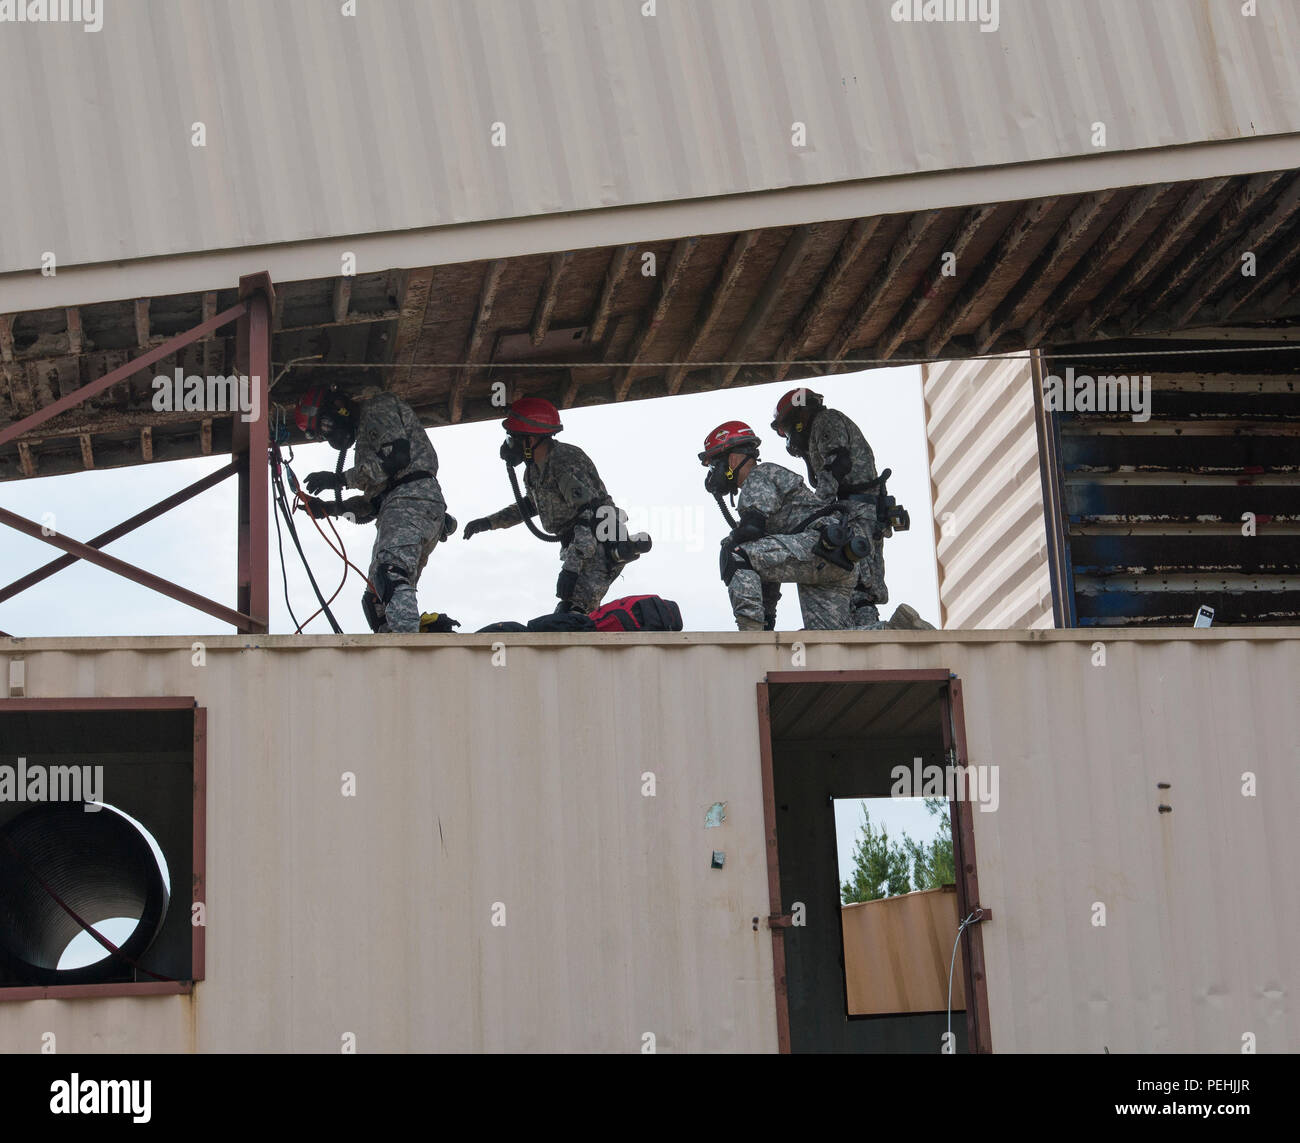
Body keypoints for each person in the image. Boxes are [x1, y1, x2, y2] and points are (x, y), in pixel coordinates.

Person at [462, 398, 648, 613]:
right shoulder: (533, 471)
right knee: (570, 614)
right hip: (578, 545)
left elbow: (587, 516)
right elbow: (530, 505)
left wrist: (571, 569)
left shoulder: (564, 460)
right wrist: (488, 522)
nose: (509, 444)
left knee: (574, 615)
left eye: (513, 438)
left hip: (598, 544)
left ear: (530, 440)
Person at [770, 388, 933, 630]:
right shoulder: (825, 424)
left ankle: (881, 635)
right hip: (863, 512)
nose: (789, 437)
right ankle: (871, 635)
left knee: (857, 583)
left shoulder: (825, 421)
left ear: (800, 417)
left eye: (787, 428)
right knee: (862, 588)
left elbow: (838, 464)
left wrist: (816, 508)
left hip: (856, 512)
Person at [295, 385, 452, 633]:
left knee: (391, 574)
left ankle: (409, 648)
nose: (329, 436)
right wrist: (330, 508)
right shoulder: (366, 440)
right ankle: (400, 645)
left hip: (411, 500)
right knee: (375, 599)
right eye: (323, 434)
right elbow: (371, 507)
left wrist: (340, 480)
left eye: (325, 427)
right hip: (402, 505)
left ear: (338, 407)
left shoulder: (378, 407)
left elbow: (396, 459)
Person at [700, 420, 859, 631]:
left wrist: (733, 541)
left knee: (734, 552)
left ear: (733, 459)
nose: (712, 474)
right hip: (835, 555)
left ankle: (752, 636)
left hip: (816, 545)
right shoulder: (769, 476)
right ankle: (894, 627)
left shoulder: (758, 475)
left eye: (714, 465)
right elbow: (767, 564)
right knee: (829, 639)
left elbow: (751, 531)